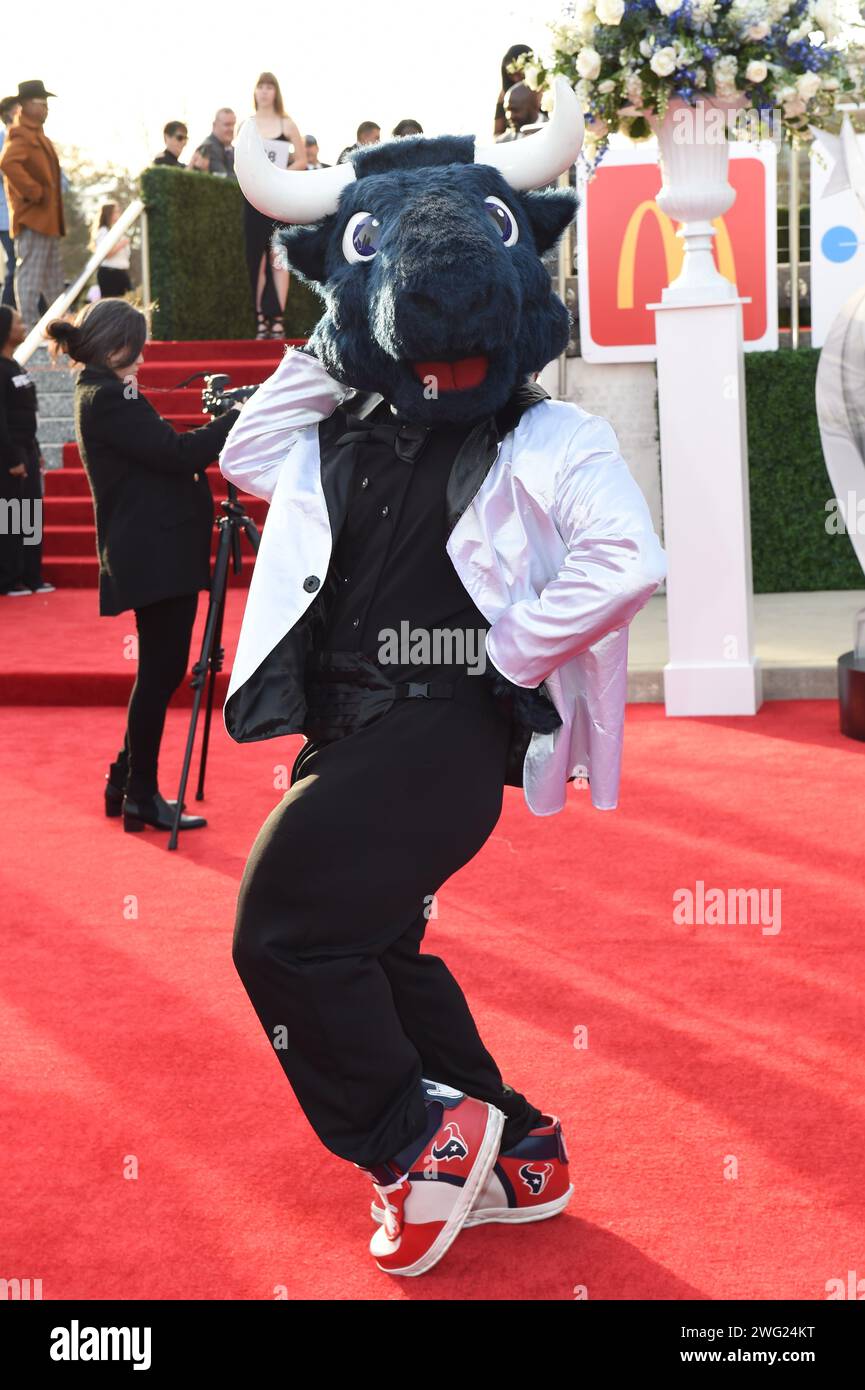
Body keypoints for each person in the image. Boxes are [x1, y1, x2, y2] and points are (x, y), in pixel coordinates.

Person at [219, 80, 665, 1277]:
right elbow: (244, 449)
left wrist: (510, 649)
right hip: (350, 729)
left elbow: (632, 557)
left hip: (439, 736)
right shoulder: (346, 419)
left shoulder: (547, 436)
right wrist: (342, 323)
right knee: (375, 945)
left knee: (281, 939)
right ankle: (519, 1153)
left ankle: (412, 1140)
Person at [45, 299, 242, 832]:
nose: (141, 360)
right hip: (155, 556)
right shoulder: (107, 396)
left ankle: (123, 781)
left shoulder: (103, 390)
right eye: (136, 349)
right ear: (116, 345)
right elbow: (177, 455)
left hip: (155, 551)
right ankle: (141, 796)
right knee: (159, 675)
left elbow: (160, 452)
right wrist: (235, 419)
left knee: (157, 672)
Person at [238, 73, 306, 340]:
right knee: (256, 258)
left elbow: (301, 160)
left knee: (279, 257)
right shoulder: (247, 124)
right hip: (253, 199)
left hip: (279, 198)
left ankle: (277, 318)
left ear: (276, 92)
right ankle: (260, 321)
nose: (265, 92)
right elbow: (239, 161)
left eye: (269, 87)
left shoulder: (287, 124)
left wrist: (280, 174)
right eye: (260, 87)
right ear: (254, 92)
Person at [0, 80, 65, 332]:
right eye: (41, 104)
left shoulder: (37, 134)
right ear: (26, 106)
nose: (45, 109)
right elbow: (8, 163)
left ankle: (60, 326)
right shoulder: (21, 134)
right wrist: (33, 192)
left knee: (52, 278)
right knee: (29, 274)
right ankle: (26, 326)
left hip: (47, 219)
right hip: (32, 218)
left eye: (46, 104)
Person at [0, 305, 53, 595]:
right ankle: (9, 578)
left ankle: (32, 575)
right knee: (11, 516)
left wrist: (36, 449)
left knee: (31, 513)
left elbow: (27, 413)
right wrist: (12, 457)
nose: (23, 326)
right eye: (17, 322)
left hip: (29, 451)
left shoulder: (17, 367)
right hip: (10, 456)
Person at [0, 95, 21, 308]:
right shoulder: (3, 139)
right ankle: (6, 313)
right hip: (6, 218)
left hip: (24, 216)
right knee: (16, 265)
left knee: (24, 265)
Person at [92, 202, 132, 299]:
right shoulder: (103, 231)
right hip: (110, 274)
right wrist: (121, 244)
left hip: (121, 272)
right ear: (108, 214)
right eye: (116, 212)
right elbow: (106, 254)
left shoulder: (117, 230)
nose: (118, 214)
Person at [494, 43, 532, 136]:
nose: (516, 79)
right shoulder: (504, 95)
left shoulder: (545, 90)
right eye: (511, 74)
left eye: (519, 73)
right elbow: (497, 133)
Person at [196, 108, 237, 178]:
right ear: (214, 125)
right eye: (227, 125)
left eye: (233, 125)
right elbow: (223, 177)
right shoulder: (208, 148)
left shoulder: (232, 149)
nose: (231, 129)